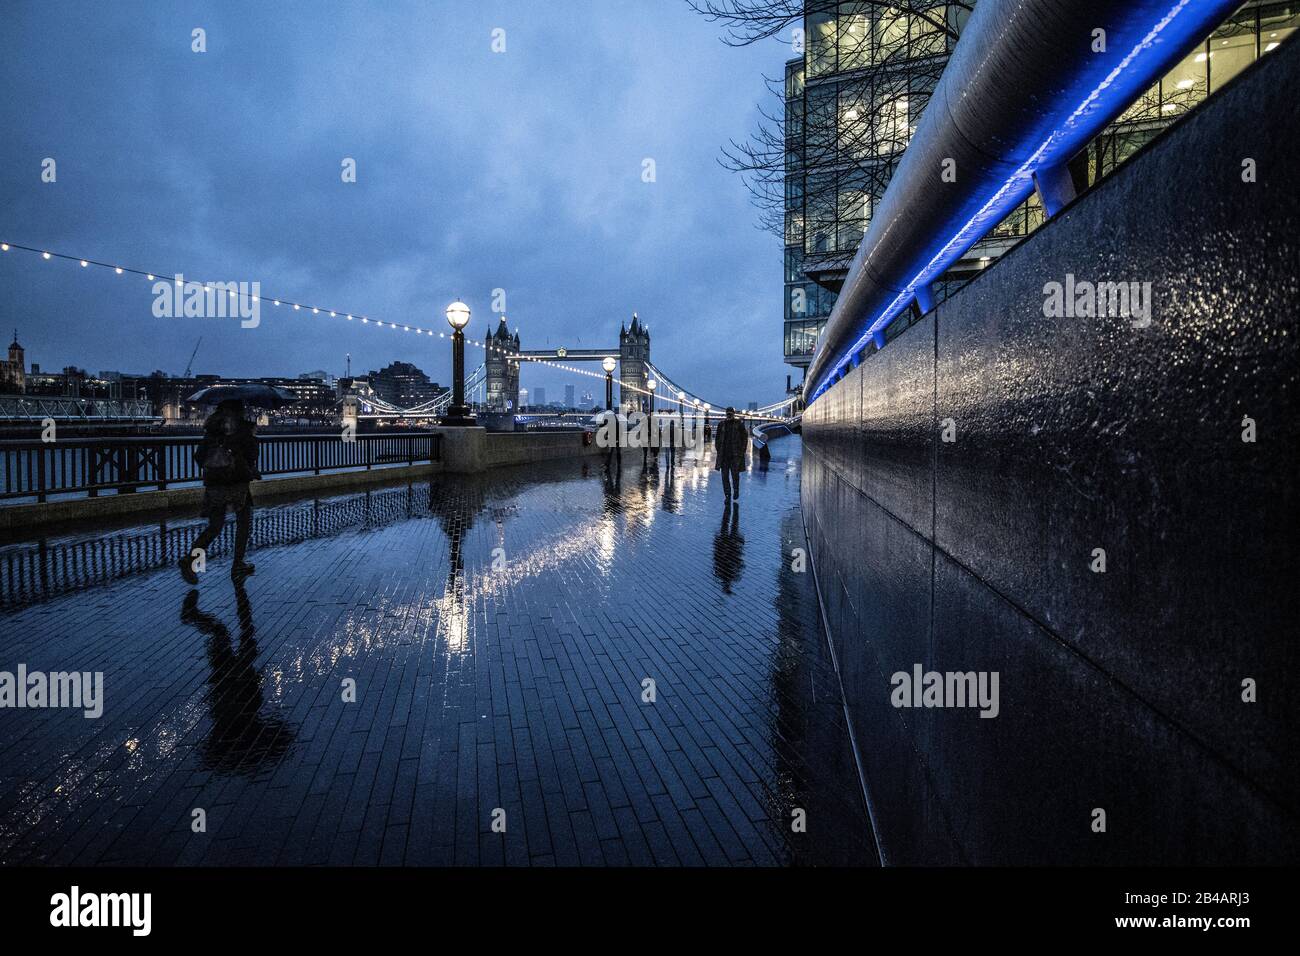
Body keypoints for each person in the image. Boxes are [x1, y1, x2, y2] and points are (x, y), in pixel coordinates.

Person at [180, 398, 259, 583]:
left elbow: (199, 457)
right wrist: (253, 436)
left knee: (214, 527)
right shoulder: (243, 430)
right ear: (239, 410)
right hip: (237, 482)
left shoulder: (211, 431)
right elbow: (252, 455)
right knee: (243, 523)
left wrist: (216, 467)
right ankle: (238, 563)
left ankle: (190, 559)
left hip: (215, 484)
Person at [714, 406, 749, 502]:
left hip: (735, 455)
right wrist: (718, 449)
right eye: (727, 413)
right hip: (724, 456)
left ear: (733, 414)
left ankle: (736, 491)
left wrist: (742, 451)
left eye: (730, 413)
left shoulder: (739, 424)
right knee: (724, 477)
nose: (729, 415)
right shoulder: (721, 424)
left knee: (735, 476)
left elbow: (745, 438)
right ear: (726, 414)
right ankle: (727, 495)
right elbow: (717, 438)